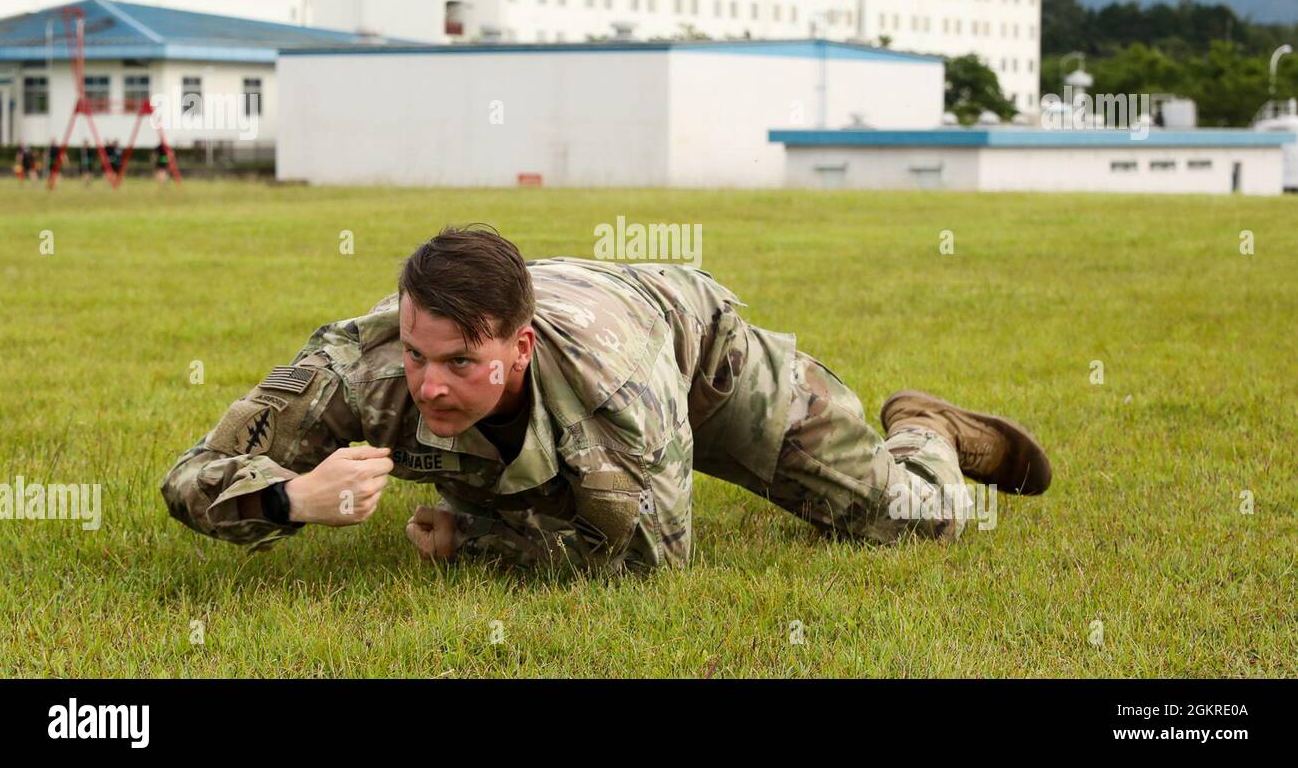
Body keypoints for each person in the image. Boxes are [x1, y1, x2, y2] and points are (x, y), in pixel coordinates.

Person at [161, 226, 1052, 575]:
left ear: (520, 345)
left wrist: (476, 541)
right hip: (577, 379)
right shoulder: (361, 371)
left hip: (698, 360)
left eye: (460, 363)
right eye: (420, 353)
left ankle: (926, 429)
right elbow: (190, 477)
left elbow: (650, 565)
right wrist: (290, 497)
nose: (430, 384)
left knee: (904, 521)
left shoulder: (614, 387)